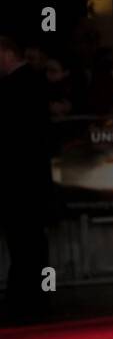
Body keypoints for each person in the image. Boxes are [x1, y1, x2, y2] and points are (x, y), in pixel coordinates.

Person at [0, 36, 55, 324]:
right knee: (31, 242)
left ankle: (26, 300)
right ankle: (34, 298)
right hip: (31, 180)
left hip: (19, 182)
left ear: (7, 53)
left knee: (24, 243)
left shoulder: (15, 86)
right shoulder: (35, 82)